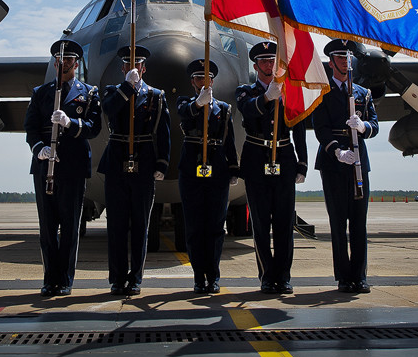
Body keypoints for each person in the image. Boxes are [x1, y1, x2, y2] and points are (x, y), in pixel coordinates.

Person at [24, 39, 101, 297]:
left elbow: (94, 127)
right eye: (60, 58)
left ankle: (65, 280)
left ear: (76, 64)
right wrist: (39, 149)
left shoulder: (89, 93)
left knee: (69, 227)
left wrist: (71, 123)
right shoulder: (41, 92)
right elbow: (31, 128)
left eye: (68, 59)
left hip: (73, 166)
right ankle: (49, 279)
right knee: (47, 227)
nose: (63, 62)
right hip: (45, 165)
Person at [235, 40, 308, 295]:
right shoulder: (246, 90)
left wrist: (303, 163)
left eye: (272, 61)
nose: (269, 65)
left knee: (284, 223)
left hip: (285, 159)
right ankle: (267, 276)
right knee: (260, 223)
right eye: (264, 62)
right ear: (256, 66)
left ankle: (284, 276)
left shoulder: (290, 91)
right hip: (257, 160)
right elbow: (246, 110)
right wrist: (267, 97)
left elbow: (298, 127)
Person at [99, 45, 171, 296]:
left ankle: (136, 278)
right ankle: (117, 278)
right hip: (117, 160)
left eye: (137, 65)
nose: (133, 68)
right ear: (123, 68)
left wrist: (162, 163)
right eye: (128, 65)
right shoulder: (113, 91)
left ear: (144, 68)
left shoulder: (156, 96)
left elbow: (163, 132)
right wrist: (126, 88)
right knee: (117, 224)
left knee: (141, 224)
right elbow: (108, 110)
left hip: (144, 161)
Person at [311, 38, 379, 294]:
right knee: (338, 222)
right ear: (331, 62)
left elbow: (375, 124)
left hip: (359, 163)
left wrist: (364, 127)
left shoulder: (363, 93)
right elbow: (320, 128)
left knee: (359, 222)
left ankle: (359, 276)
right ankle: (343, 276)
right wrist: (336, 151)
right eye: (340, 57)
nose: (344, 61)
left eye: (348, 57)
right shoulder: (323, 92)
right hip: (334, 162)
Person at [176, 58, 238, 294]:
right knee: (194, 226)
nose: (204, 81)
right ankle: (198, 275)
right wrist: (198, 105)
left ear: (213, 81)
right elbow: (184, 114)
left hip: (217, 171)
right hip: (191, 169)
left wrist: (233, 168)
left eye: (208, 77)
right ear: (193, 82)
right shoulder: (186, 103)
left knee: (214, 227)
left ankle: (213, 276)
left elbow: (228, 140)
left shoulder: (223, 109)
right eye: (199, 77)